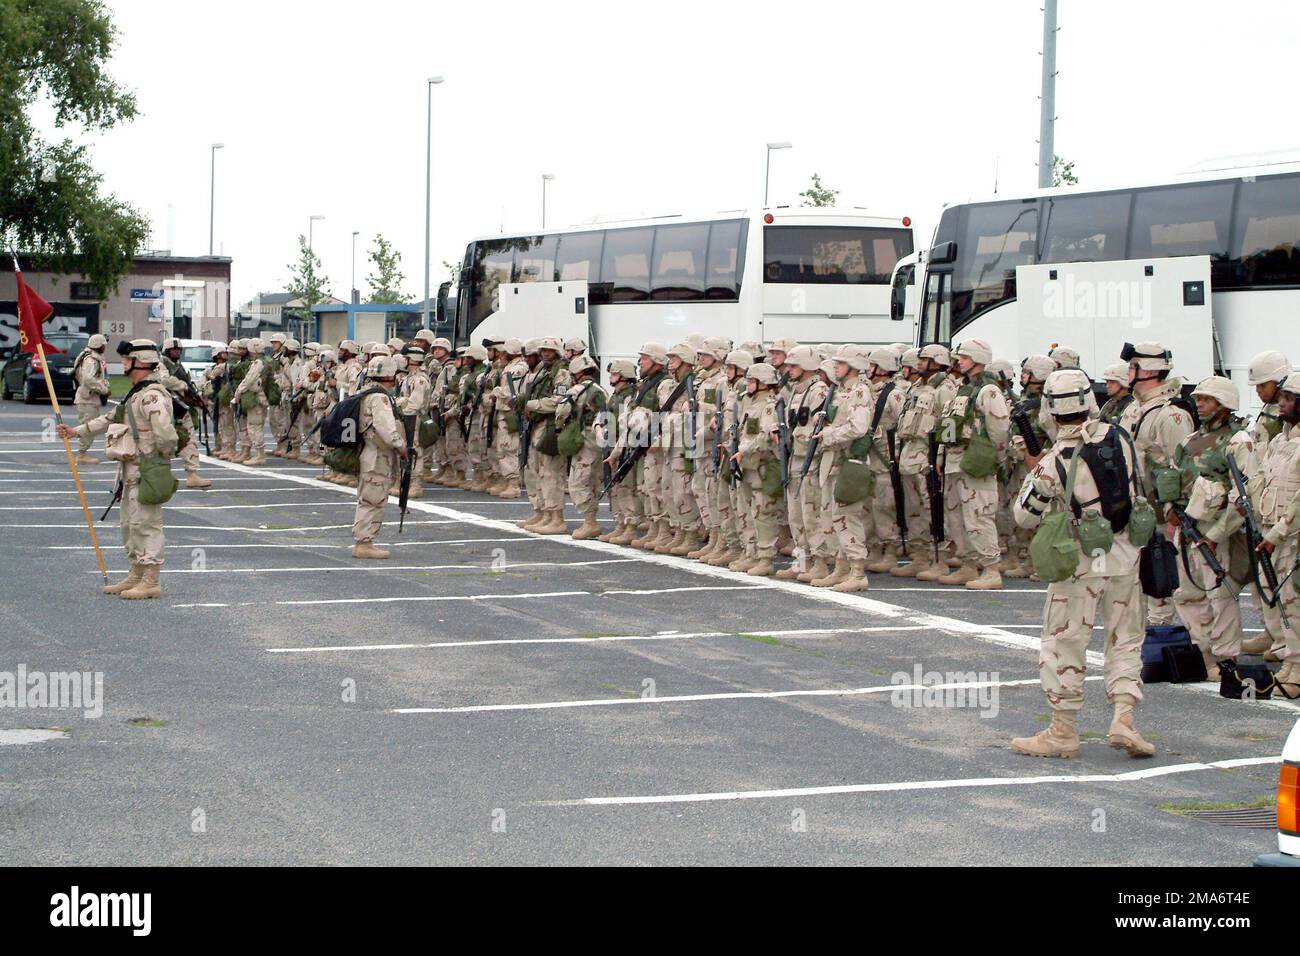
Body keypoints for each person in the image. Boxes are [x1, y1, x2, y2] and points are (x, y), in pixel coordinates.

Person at [1010, 369, 1153, 759]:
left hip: (1081, 564)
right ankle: (1124, 717)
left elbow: (1023, 516)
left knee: (1064, 642)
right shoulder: (1120, 436)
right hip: (1125, 555)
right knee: (1125, 639)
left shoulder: (1055, 460)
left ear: (1052, 413)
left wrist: (1037, 473)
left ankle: (1063, 729)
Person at [58, 340, 178, 600]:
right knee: (130, 525)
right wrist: (75, 431)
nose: (123, 363)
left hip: (146, 471)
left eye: (127, 359)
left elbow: (166, 435)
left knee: (147, 524)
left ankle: (151, 580)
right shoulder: (136, 394)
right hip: (130, 473)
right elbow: (109, 418)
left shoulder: (152, 395)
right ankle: (136, 573)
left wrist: (158, 461)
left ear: (141, 361)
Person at [1168, 375, 1257, 681]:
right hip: (1187, 529)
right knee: (1187, 594)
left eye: (1207, 400)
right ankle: (1203, 653)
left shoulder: (1238, 441)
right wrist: (1171, 512)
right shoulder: (1189, 441)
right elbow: (1174, 480)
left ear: (1224, 405)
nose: (1199, 404)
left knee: (1221, 596)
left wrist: (1216, 533)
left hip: (1218, 532)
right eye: (1199, 399)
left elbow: (1243, 494)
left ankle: (1226, 658)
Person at [1118, 342, 1196, 625]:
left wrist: (1176, 510)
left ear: (1148, 371)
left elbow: (1184, 468)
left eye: (1132, 366)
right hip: (1134, 508)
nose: (1128, 372)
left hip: (1161, 512)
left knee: (1160, 575)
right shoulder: (1133, 410)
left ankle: (1161, 636)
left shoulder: (1171, 414)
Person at [934, 339, 1010, 590]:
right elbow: (949, 425)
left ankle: (991, 569)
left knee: (979, 516)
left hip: (976, 461)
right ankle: (968, 564)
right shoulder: (962, 389)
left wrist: (992, 458)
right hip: (956, 461)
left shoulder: (989, 391)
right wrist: (941, 457)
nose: (959, 361)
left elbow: (999, 429)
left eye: (965, 357)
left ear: (977, 359)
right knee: (956, 518)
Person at [1245, 370, 1300, 697]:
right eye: (1282, 396)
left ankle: (1297, 669)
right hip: (1271, 531)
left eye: (1290, 398)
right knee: (1279, 600)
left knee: (1294, 603)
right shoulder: (1280, 440)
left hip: (1291, 537)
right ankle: (1291, 662)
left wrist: (1277, 533)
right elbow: (1265, 484)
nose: (1281, 402)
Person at [778, 345, 831, 580]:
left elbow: (818, 426)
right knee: (795, 515)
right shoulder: (796, 391)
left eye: (793, 365)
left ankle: (819, 562)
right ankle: (801, 561)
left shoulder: (818, 391)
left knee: (811, 514)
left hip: (810, 459)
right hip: (794, 457)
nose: (788, 370)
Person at [730, 362, 783, 577]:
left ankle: (765, 557)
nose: (748, 384)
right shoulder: (748, 403)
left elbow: (766, 437)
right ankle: (750, 551)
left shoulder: (769, 406)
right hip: (748, 465)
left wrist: (744, 450)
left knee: (763, 513)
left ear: (763, 383)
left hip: (762, 464)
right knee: (746, 511)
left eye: (753, 381)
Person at [352, 356, 407, 559]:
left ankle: (365, 541)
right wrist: (401, 446)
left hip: (368, 452)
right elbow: (385, 428)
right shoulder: (379, 398)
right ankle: (364, 543)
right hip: (377, 455)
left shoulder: (363, 392)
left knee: (369, 498)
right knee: (372, 500)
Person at [523, 338, 573, 534]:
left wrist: (533, 405)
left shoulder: (562, 374)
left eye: (549, 351)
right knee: (534, 471)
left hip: (551, 425)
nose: (545, 353)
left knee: (551, 473)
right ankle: (542, 512)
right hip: (536, 424)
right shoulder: (541, 373)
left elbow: (559, 400)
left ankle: (556, 517)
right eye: (543, 350)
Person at [556, 354, 608, 539]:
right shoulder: (601, 390)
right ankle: (591, 520)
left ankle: (590, 522)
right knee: (592, 480)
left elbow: (561, 411)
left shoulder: (576, 390)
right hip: (599, 438)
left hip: (584, 437)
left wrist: (559, 427)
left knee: (577, 481)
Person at [601, 359, 644, 544]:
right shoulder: (615, 395)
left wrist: (619, 449)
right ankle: (619, 524)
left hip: (624, 446)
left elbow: (627, 425)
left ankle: (631, 526)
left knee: (627, 488)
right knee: (616, 488)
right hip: (612, 443)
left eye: (615, 374)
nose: (611, 377)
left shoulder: (629, 396)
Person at [160, 338, 212, 489]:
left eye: (179, 350)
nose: (177, 352)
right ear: (167, 351)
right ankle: (191, 474)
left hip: (176, 406)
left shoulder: (176, 365)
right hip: (170, 407)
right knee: (184, 439)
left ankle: (191, 474)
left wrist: (195, 399)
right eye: (174, 350)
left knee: (182, 440)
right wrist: (183, 386)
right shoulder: (162, 363)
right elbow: (164, 380)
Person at [71, 333, 112, 464]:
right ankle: (82, 454)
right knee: (89, 426)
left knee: (89, 425)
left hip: (88, 397)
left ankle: (83, 452)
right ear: (98, 345)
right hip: (87, 398)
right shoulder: (91, 360)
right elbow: (88, 379)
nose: (105, 347)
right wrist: (103, 389)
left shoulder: (88, 357)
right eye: (103, 345)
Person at [231, 338, 269, 466]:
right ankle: (258, 454)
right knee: (254, 426)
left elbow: (249, 379)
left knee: (254, 426)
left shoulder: (258, 363)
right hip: (261, 399)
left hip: (257, 398)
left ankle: (260, 455)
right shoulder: (266, 361)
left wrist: (238, 391)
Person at [1247, 350, 1291, 453]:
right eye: (1257, 385)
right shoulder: (1268, 406)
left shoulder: (1292, 412)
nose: (1258, 390)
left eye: (1262, 385)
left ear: (1280, 380)